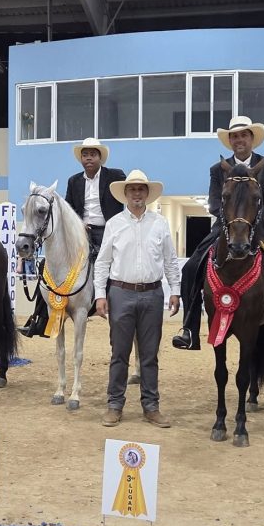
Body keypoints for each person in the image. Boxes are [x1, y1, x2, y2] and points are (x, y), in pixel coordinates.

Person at [173, 115, 264, 357]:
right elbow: (213, 203)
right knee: (191, 267)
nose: (239, 139)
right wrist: (232, 224)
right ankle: (189, 327)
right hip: (225, 229)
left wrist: (253, 223)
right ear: (229, 140)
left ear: (252, 139)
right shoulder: (216, 169)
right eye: (234, 136)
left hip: (262, 229)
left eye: (243, 135)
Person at [94, 170, 182, 429]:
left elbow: (170, 259)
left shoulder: (160, 223)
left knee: (150, 354)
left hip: (153, 294)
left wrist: (174, 289)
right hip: (120, 292)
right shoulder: (114, 224)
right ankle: (115, 405)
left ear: (147, 193)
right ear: (125, 193)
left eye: (141, 189)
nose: (136, 193)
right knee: (119, 353)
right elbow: (103, 263)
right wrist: (100, 295)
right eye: (132, 189)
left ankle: (151, 407)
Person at [19, 137, 126, 338]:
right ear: (81, 159)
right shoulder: (74, 181)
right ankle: (39, 319)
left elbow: (123, 199)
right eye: (85, 155)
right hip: (81, 231)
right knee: (49, 270)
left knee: (113, 265)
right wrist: (79, 224)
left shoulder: (115, 176)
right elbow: (69, 209)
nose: (88, 158)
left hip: (108, 231)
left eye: (93, 154)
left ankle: (114, 305)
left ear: (100, 157)